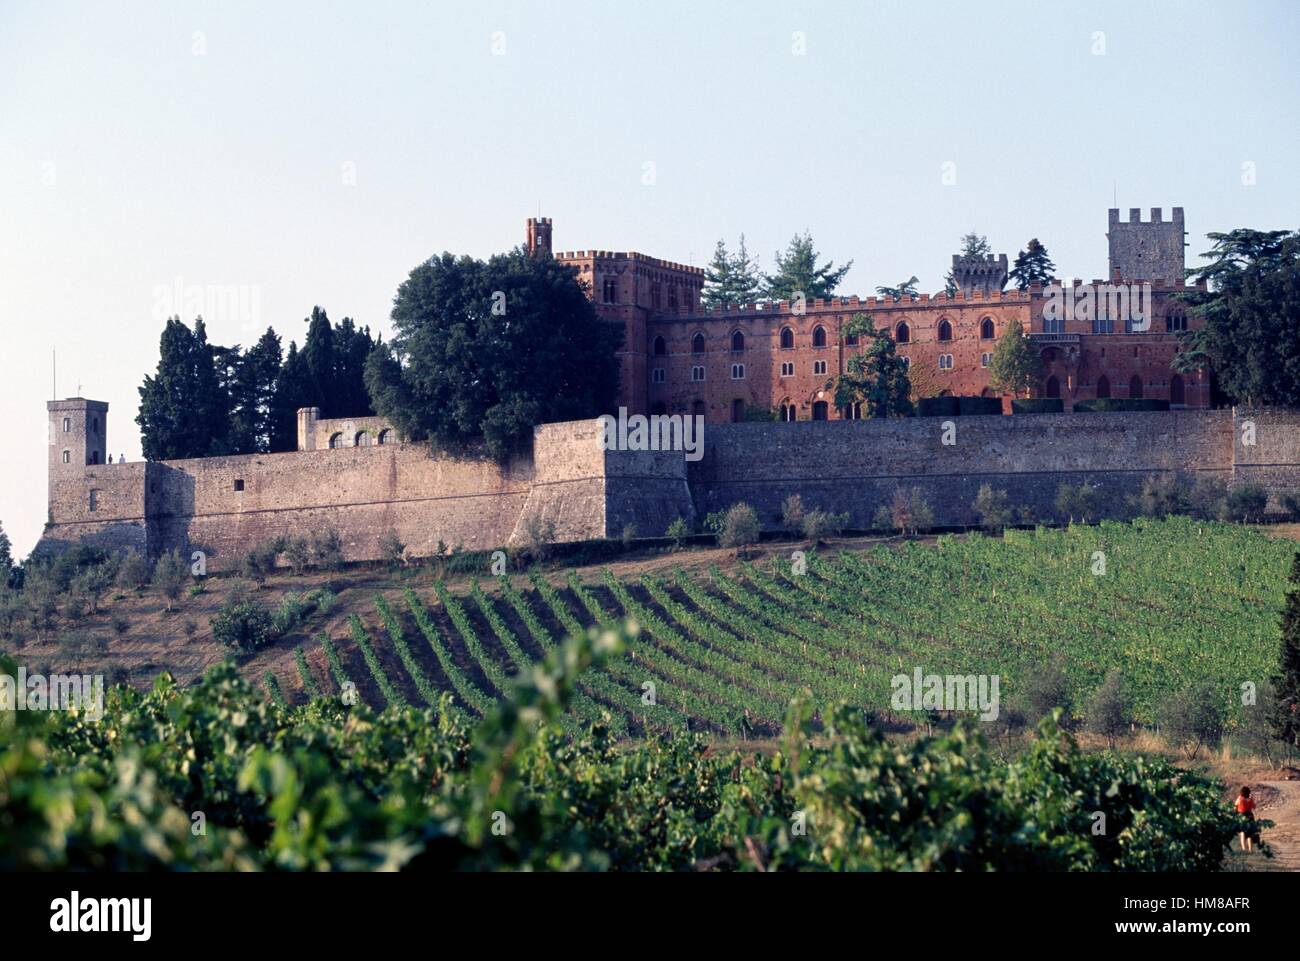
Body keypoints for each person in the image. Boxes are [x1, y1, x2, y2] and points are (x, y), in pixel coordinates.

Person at [1235, 786, 1258, 852]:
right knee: (1250, 833)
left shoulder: (1240, 798)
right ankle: (1250, 850)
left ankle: (1244, 849)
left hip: (1242, 816)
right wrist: (1252, 799)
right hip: (1250, 815)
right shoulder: (1250, 799)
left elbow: (1235, 805)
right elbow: (1254, 807)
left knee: (1243, 832)